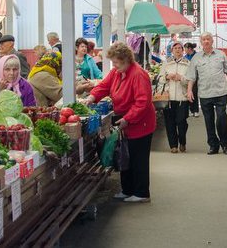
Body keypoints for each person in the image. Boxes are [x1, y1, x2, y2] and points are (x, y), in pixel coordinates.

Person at [81, 42, 156, 203]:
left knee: (138, 158)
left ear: (126, 59)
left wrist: (128, 119)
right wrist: (91, 97)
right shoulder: (116, 72)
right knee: (125, 156)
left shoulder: (138, 74)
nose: (114, 65)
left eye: (116, 62)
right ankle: (127, 189)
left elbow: (142, 102)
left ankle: (142, 193)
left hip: (140, 123)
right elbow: (104, 86)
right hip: (126, 121)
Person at [186, 32, 227, 155]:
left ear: (212, 41)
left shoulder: (221, 54)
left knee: (221, 118)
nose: (206, 41)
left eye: (208, 39)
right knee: (209, 121)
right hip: (204, 94)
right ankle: (213, 145)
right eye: (204, 39)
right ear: (201, 42)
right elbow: (191, 77)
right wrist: (189, 90)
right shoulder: (196, 58)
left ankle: (225, 144)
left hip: (220, 92)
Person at [158, 42, 190, 153]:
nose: (177, 50)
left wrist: (181, 78)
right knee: (169, 122)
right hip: (169, 98)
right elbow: (160, 78)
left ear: (183, 50)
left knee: (182, 122)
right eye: (175, 48)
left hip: (183, 98)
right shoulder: (166, 63)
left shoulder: (188, 63)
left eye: (180, 48)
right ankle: (173, 145)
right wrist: (167, 76)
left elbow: (191, 80)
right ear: (172, 50)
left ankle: (182, 142)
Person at [183, 43, 199, 117]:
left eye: (185, 48)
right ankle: (190, 109)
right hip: (187, 76)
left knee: (194, 93)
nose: (184, 50)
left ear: (189, 48)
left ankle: (195, 110)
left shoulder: (197, 56)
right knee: (188, 92)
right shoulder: (185, 57)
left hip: (195, 77)